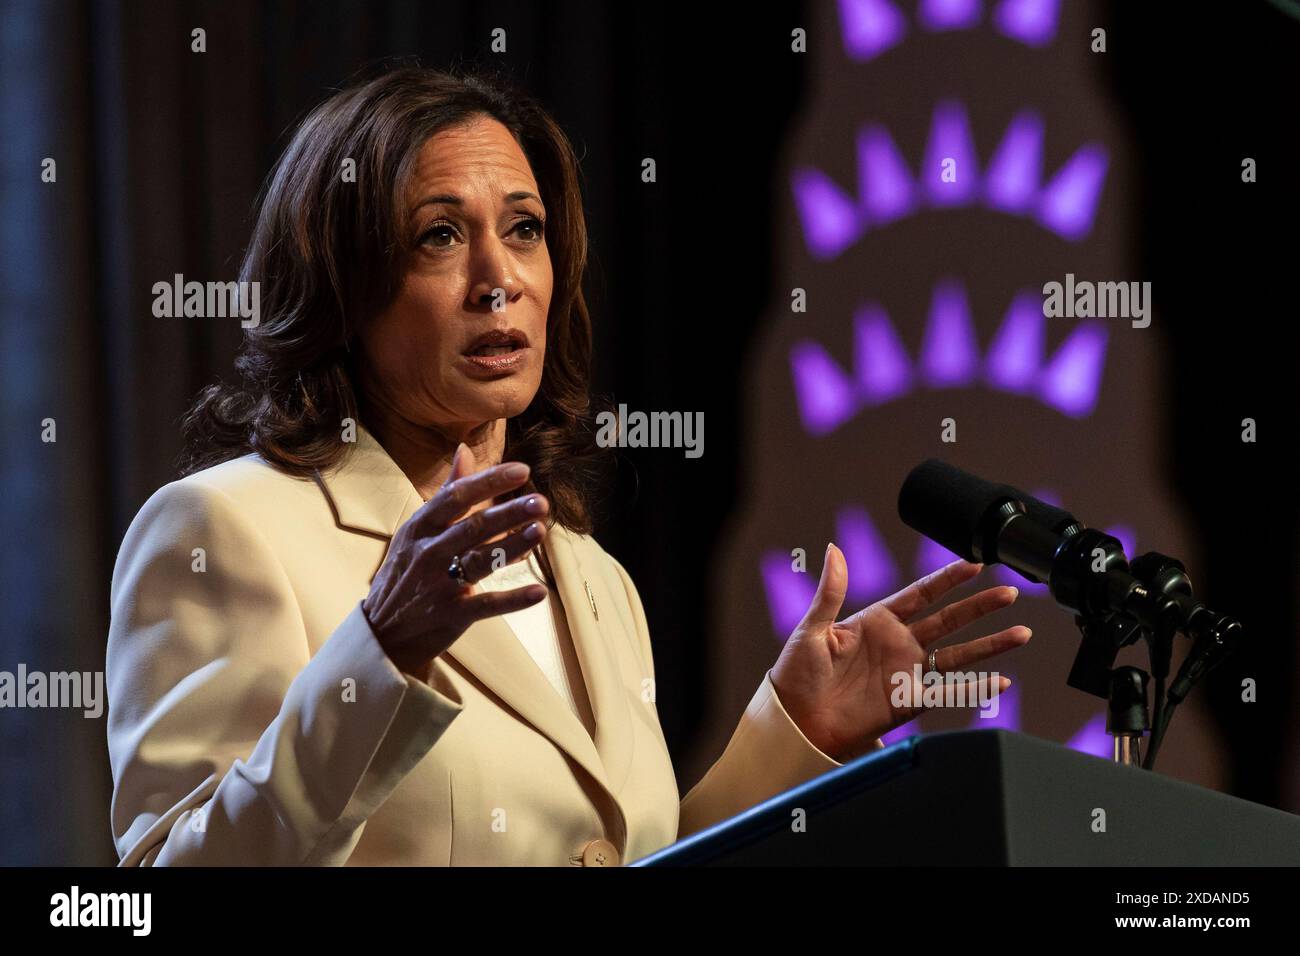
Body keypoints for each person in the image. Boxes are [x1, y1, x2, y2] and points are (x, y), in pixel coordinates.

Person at [106, 65, 1031, 866]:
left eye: (523, 229)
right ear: (341, 283)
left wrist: (792, 732)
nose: (496, 276)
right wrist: (378, 653)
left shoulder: (593, 578)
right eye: (438, 235)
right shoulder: (226, 529)